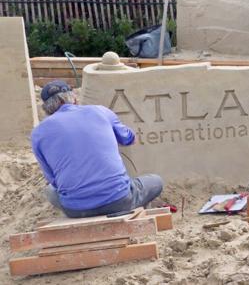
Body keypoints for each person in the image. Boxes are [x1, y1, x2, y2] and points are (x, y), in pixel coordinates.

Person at [31, 80, 164, 218]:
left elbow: (53, 180)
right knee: (156, 181)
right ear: (73, 98)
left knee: (50, 191)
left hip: (76, 210)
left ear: (47, 108)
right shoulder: (100, 111)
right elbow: (129, 138)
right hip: (119, 201)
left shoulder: (38, 133)